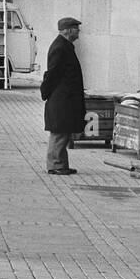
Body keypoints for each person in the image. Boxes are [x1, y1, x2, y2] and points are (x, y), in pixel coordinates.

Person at [41, 17, 85, 175]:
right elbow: (52, 73)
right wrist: (45, 92)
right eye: (76, 28)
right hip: (61, 98)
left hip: (65, 98)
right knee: (59, 132)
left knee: (63, 131)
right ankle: (55, 165)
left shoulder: (65, 46)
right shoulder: (60, 47)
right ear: (69, 30)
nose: (78, 31)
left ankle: (61, 164)